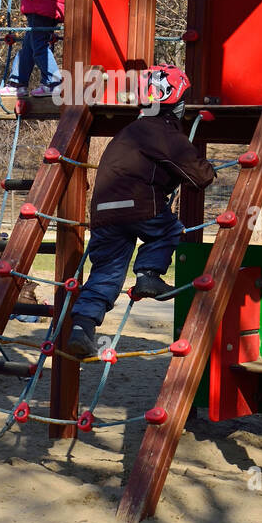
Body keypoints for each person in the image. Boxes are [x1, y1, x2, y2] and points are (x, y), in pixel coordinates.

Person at [67, 65, 215, 359]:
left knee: (105, 272)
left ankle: (82, 328)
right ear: (176, 103)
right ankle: (148, 273)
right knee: (169, 230)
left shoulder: (128, 132)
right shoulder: (163, 131)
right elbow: (200, 176)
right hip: (139, 205)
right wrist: (209, 170)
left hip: (103, 213)